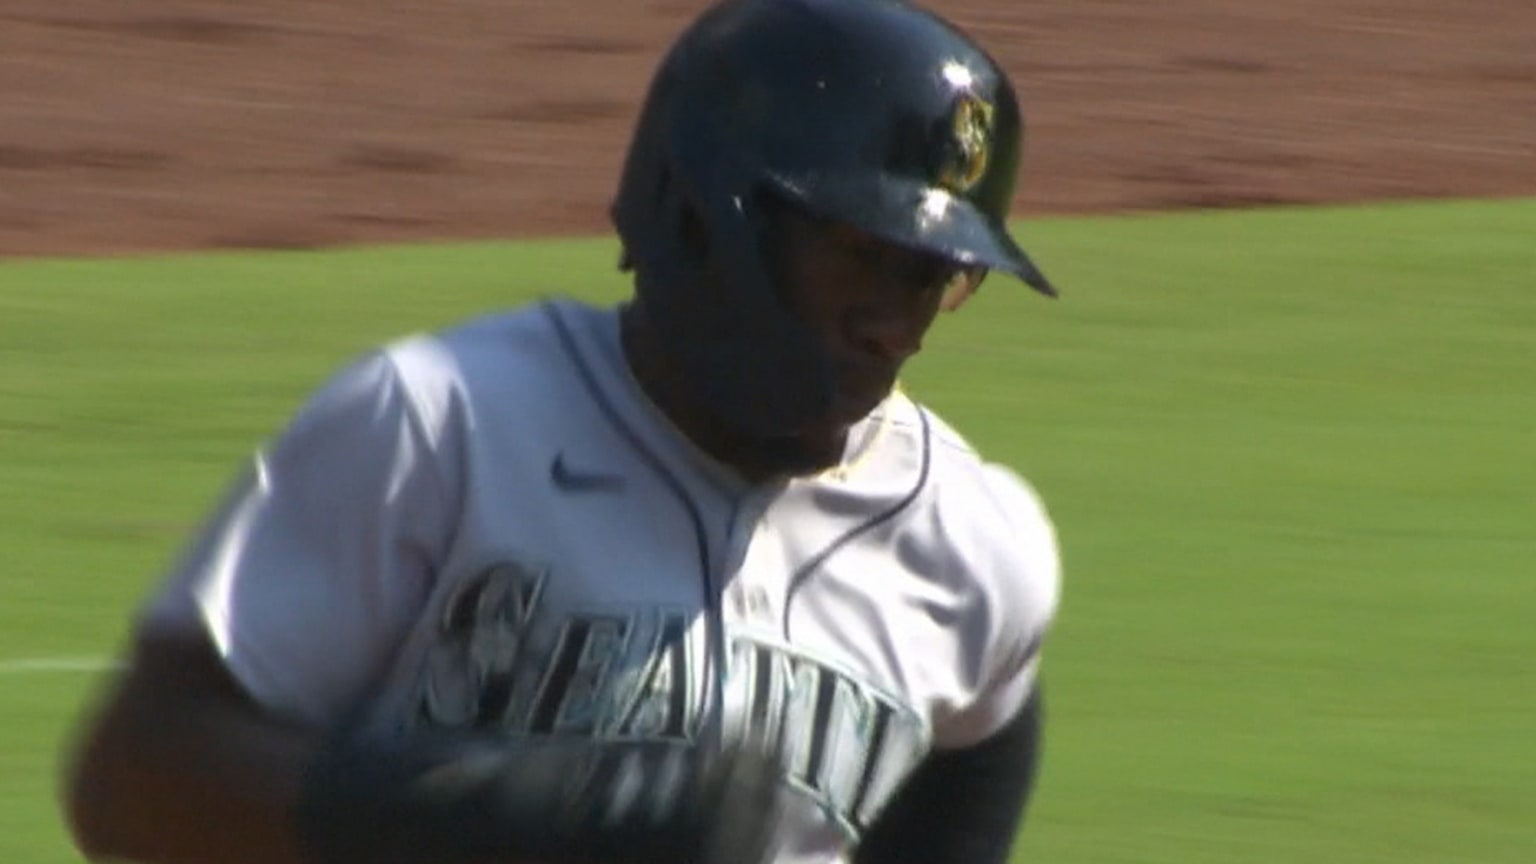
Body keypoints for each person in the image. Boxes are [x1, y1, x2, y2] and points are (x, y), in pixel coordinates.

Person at [61, 1, 1064, 862]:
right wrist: (500, 817)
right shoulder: (439, 428)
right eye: (859, 254)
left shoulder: (975, 548)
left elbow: (964, 804)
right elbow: (129, 778)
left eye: (933, 276)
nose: (894, 321)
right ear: (707, 216)